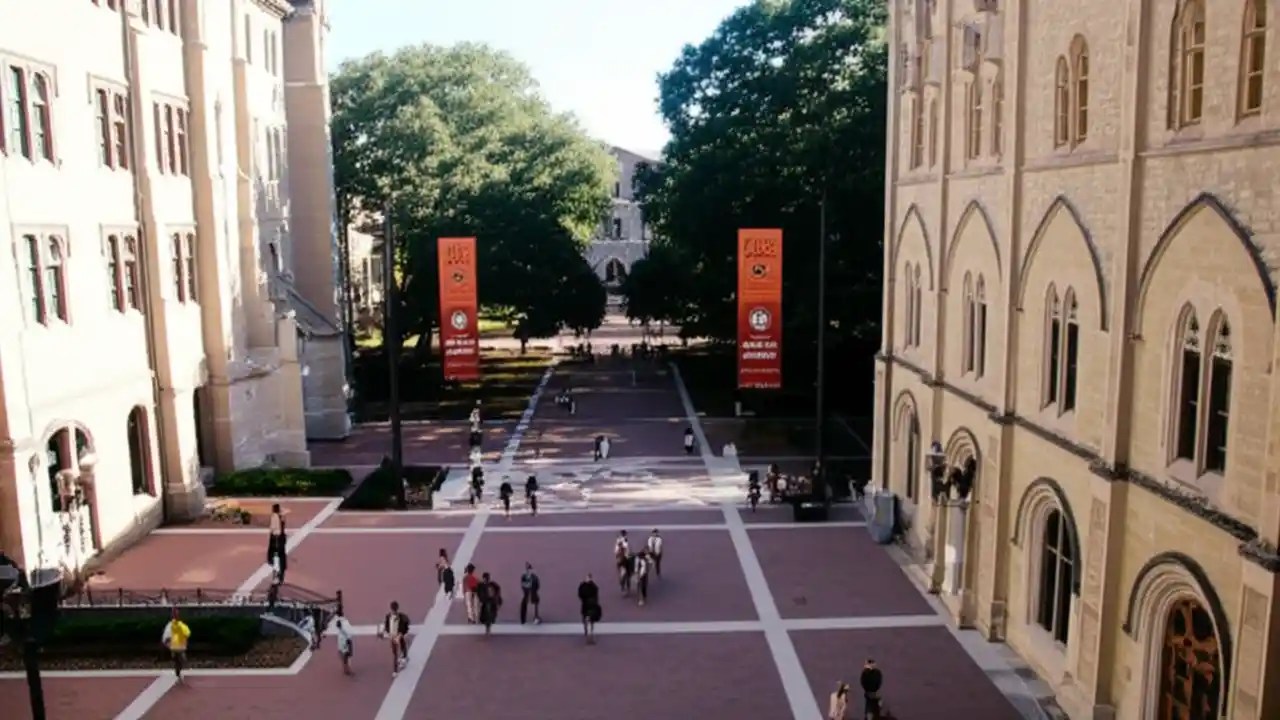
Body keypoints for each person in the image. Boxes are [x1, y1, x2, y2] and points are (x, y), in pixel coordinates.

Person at [379, 601, 411, 676]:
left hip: (399, 635)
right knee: (395, 653)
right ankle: (395, 669)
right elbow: (386, 625)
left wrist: (400, 636)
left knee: (402, 647)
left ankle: (404, 658)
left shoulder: (401, 618)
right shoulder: (388, 616)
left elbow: (403, 628)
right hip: (393, 636)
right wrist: (383, 632)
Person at [161, 608, 191, 682]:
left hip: (180, 646)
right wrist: (168, 645)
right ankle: (178, 672)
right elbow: (166, 637)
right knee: (178, 659)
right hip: (173, 646)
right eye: (175, 614)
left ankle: (178, 671)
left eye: (177, 614)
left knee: (180, 660)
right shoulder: (170, 625)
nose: (176, 615)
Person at [577, 573, 601, 645]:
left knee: (588, 619)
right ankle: (589, 632)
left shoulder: (586, 586)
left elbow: (580, 595)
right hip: (589, 605)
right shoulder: (592, 586)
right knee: (589, 620)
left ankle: (588, 632)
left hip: (588, 606)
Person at [476, 572, 502, 636]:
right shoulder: (481, 585)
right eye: (485, 578)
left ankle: (488, 628)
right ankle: (488, 628)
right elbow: (479, 593)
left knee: (489, 615)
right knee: (487, 615)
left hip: (491, 602)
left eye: (487, 578)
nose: (486, 579)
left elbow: (498, 590)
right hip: (486, 602)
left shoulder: (492, 584)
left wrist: (497, 598)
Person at [334, 607, 354, 675]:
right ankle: (347, 669)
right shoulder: (343, 622)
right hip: (345, 640)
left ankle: (345, 668)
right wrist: (348, 639)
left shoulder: (338, 621)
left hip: (341, 640)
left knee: (344, 654)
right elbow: (347, 631)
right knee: (347, 654)